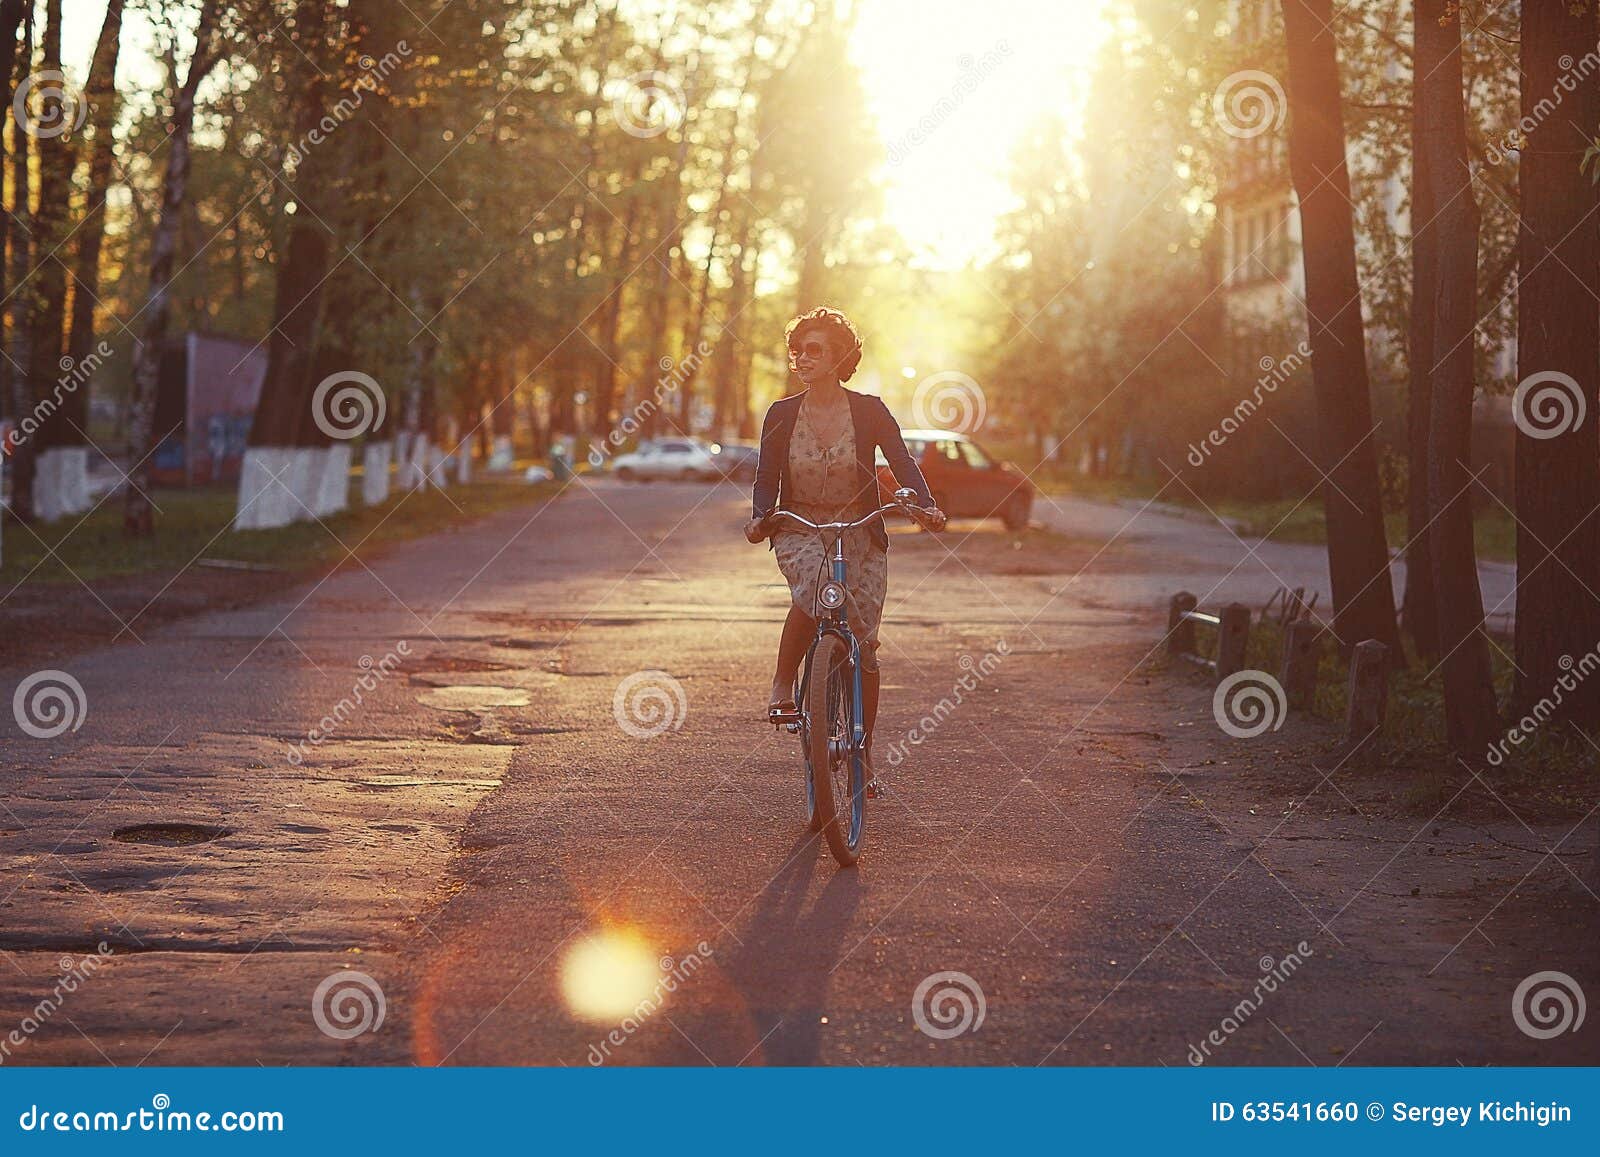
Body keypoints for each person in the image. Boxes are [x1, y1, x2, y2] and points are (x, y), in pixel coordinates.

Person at [743, 307, 946, 793]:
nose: (803, 358)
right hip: (799, 527)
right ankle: (782, 683)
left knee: (866, 646)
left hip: (860, 530)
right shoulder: (782, 414)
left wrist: (924, 504)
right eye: (798, 350)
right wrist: (759, 517)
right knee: (816, 590)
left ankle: (863, 749)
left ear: (840, 357)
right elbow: (766, 477)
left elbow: (902, 463)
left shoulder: (870, 410)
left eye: (815, 350)